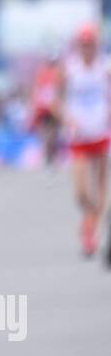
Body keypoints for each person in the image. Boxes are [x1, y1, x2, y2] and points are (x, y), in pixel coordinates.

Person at [58, 22, 110, 257]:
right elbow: (53, 100)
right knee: (80, 192)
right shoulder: (69, 69)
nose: (87, 49)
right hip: (78, 136)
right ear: (78, 46)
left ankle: (91, 229)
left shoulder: (104, 68)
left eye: (91, 45)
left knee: (101, 190)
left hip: (100, 134)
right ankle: (89, 218)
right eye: (83, 45)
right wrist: (67, 118)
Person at [30, 53, 62, 165]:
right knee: (48, 133)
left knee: (51, 133)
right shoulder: (47, 73)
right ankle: (48, 156)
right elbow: (38, 91)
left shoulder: (57, 73)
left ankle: (50, 156)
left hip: (51, 107)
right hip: (46, 108)